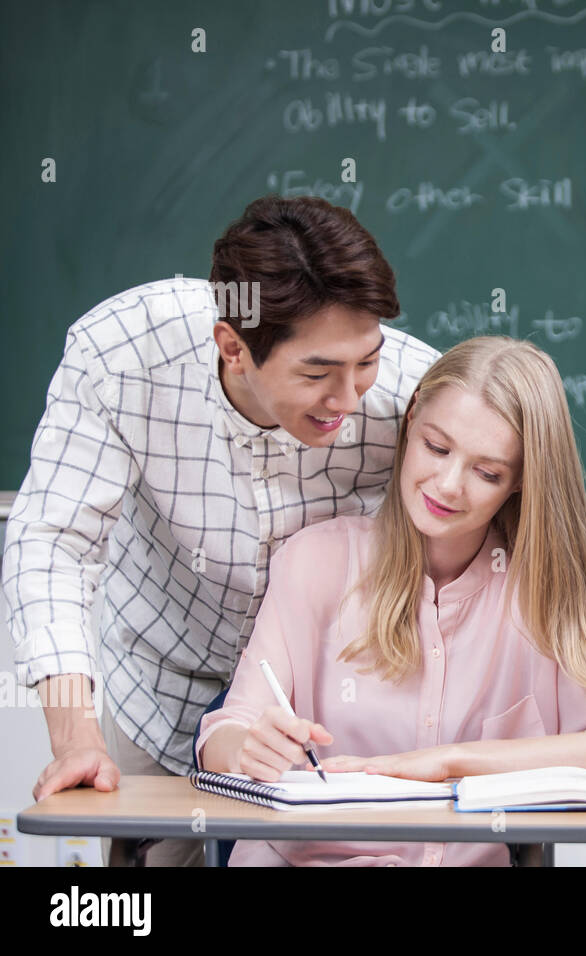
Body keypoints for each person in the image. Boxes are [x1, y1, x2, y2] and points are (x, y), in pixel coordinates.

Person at [3, 196, 439, 866]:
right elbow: (53, 546)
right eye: (318, 374)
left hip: (317, 710)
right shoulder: (123, 355)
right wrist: (75, 738)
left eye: (367, 363)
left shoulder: (415, 393)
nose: (350, 400)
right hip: (157, 678)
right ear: (233, 347)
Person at [196, 336, 586, 866]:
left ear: (520, 481)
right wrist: (244, 747)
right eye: (437, 448)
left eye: (486, 473)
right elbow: (226, 729)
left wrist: (453, 762)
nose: (446, 485)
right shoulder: (316, 561)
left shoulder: (543, 593)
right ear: (411, 418)